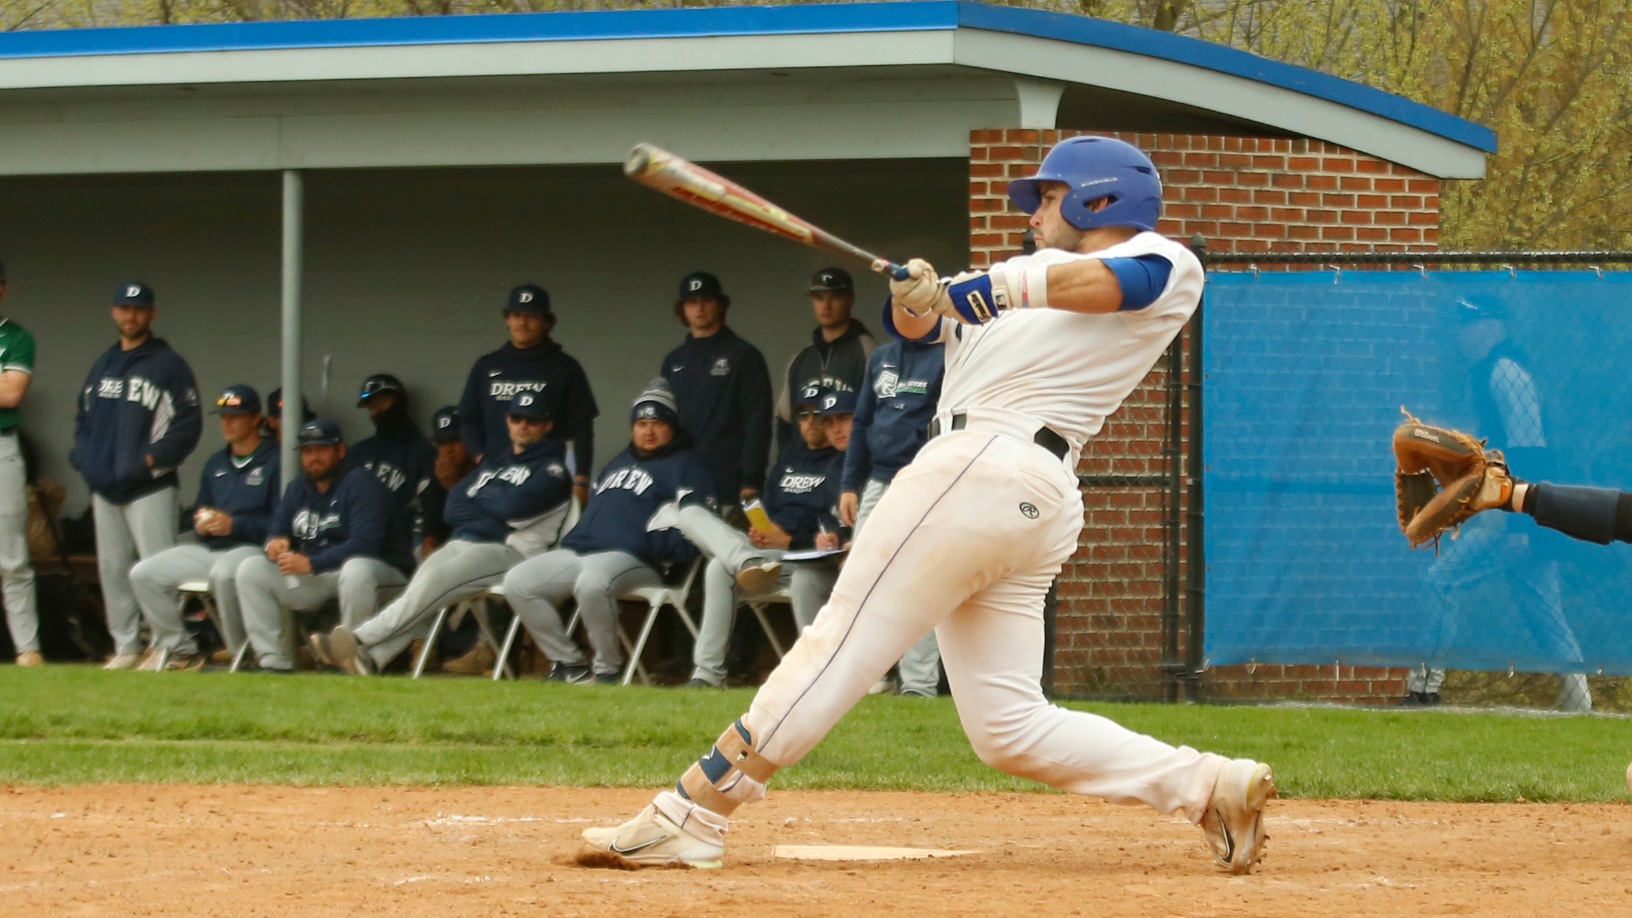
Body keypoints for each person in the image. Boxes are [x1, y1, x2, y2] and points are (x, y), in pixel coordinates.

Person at [579, 136, 1274, 875]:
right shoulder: (1013, 278)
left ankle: (691, 813)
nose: (1034, 214)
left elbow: (1118, 283)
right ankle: (1206, 786)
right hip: (1009, 489)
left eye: (1047, 197)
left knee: (840, 640)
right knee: (1008, 726)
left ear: (1099, 199)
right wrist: (915, 297)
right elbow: (920, 326)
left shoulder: (1161, 261)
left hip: (986, 468)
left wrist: (988, 289)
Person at [1404, 297, 1590, 711]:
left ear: (1493, 327)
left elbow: (1531, 453)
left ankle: (1424, 689)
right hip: (1520, 515)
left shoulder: (1505, 372)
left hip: (1515, 518)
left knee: (1439, 582)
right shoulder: (1491, 372)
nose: (1461, 333)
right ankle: (1583, 708)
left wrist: (1521, 528)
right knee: (1545, 614)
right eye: (1460, 324)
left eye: (1469, 324)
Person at [310, 392, 573, 676]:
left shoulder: (552, 471)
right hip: (463, 542)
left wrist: (481, 497)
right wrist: (494, 501)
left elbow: (514, 510)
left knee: (434, 583)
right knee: (421, 588)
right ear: (508, 421)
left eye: (532, 421)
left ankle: (360, 638)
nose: (523, 426)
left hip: (511, 554)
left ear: (546, 425)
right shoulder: (496, 464)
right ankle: (371, 660)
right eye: (517, 418)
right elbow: (453, 506)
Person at [501, 380, 714, 684]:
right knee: (519, 581)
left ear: (672, 427)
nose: (649, 431)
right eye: (641, 424)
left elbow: (699, 527)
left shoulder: (689, 467)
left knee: (592, 582)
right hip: (583, 551)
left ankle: (607, 670)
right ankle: (569, 663)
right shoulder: (619, 461)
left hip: (636, 559)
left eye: (658, 423)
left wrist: (650, 545)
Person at [671, 384, 846, 690]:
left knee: (719, 566)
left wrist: (790, 541)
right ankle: (708, 674)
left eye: (817, 416)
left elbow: (834, 530)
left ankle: (744, 559)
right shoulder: (789, 459)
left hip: (808, 559)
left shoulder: (843, 463)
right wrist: (762, 531)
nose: (809, 423)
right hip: (770, 557)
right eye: (802, 415)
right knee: (689, 514)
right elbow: (772, 510)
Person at [70, 281, 202, 670]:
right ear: (114, 312)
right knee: (113, 570)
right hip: (105, 487)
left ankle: (168, 646)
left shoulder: (169, 365)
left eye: (139, 309)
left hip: (150, 486)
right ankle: (126, 646)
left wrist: (149, 460)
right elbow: (83, 418)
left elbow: (187, 425)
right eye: (125, 308)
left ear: (152, 314)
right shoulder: (103, 364)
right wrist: (85, 459)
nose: (131, 316)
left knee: (156, 569)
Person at [236, 419, 412, 673]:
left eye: (321, 449)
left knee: (356, 569)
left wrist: (311, 563)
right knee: (251, 569)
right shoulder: (298, 488)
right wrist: (275, 541)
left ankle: (355, 659)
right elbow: (277, 527)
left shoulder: (362, 484)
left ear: (340, 451)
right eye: (307, 451)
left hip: (383, 577)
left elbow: (365, 544)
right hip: (322, 573)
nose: (313, 457)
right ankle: (274, 662)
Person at [129, 385, 279, 671]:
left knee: (223, 574)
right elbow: (202, 509)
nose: (227, 423)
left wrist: (234, 524)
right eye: (223, 417)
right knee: (144, 573)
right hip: (212, 549)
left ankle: (243, 653)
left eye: (235, 416)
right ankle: (181, 649)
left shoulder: (276, 460)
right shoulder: (215, 463)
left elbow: (282, 523)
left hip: (254, 551)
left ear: (255, 419)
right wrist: (203, 523)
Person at [839, 335, 947, 697]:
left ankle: (917, 683)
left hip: (925, 478)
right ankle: (866, 675)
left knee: (920, 579)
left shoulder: (949, 355)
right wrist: (849, 484)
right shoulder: (882, 357)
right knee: (861, 578)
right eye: (900, 308)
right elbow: (861, 422)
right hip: (878, 479)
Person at [458, 283, 598, 504]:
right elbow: (467, 419)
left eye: (531, 316)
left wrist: (581, 480)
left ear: (546, 322)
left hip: (545, 478)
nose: (522, 323)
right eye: (516, 315)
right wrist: (481, 457)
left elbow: (582, 428)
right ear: (507, 319)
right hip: (494, 476)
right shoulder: (487, 366)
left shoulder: (565, 367)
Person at [659, 271, 773, 514]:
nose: (699, 308)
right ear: (682, 309)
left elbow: (757, 420)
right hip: (682, 480)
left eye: (706, 300)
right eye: (691, 302)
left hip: (730, 482)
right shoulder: (674, 360)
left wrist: (751, 480)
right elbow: (663, 422)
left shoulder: (744, 355)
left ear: (720, 304)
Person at [772, 268, 876, 451]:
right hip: (805, 463)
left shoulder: (869, 352)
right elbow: (785, 420)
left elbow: (878, 417)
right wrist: (786, 461)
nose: (826, 306)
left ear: (850, 299)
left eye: (835, 297)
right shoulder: (801, 359)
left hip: (847, 462)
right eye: (819, 298)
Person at [0, 258, 42, 667]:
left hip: (2, 446)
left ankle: (27, 648)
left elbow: (11, 393)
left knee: (11, 557)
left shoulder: (15, 337)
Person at [351, 373, 436, 569]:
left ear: (400, 401)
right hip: (358, 537)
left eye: (384, 402)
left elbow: (430, 508)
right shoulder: (359, 452)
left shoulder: (422, 452)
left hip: (401, 542)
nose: (379, 411)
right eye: (372, 406)